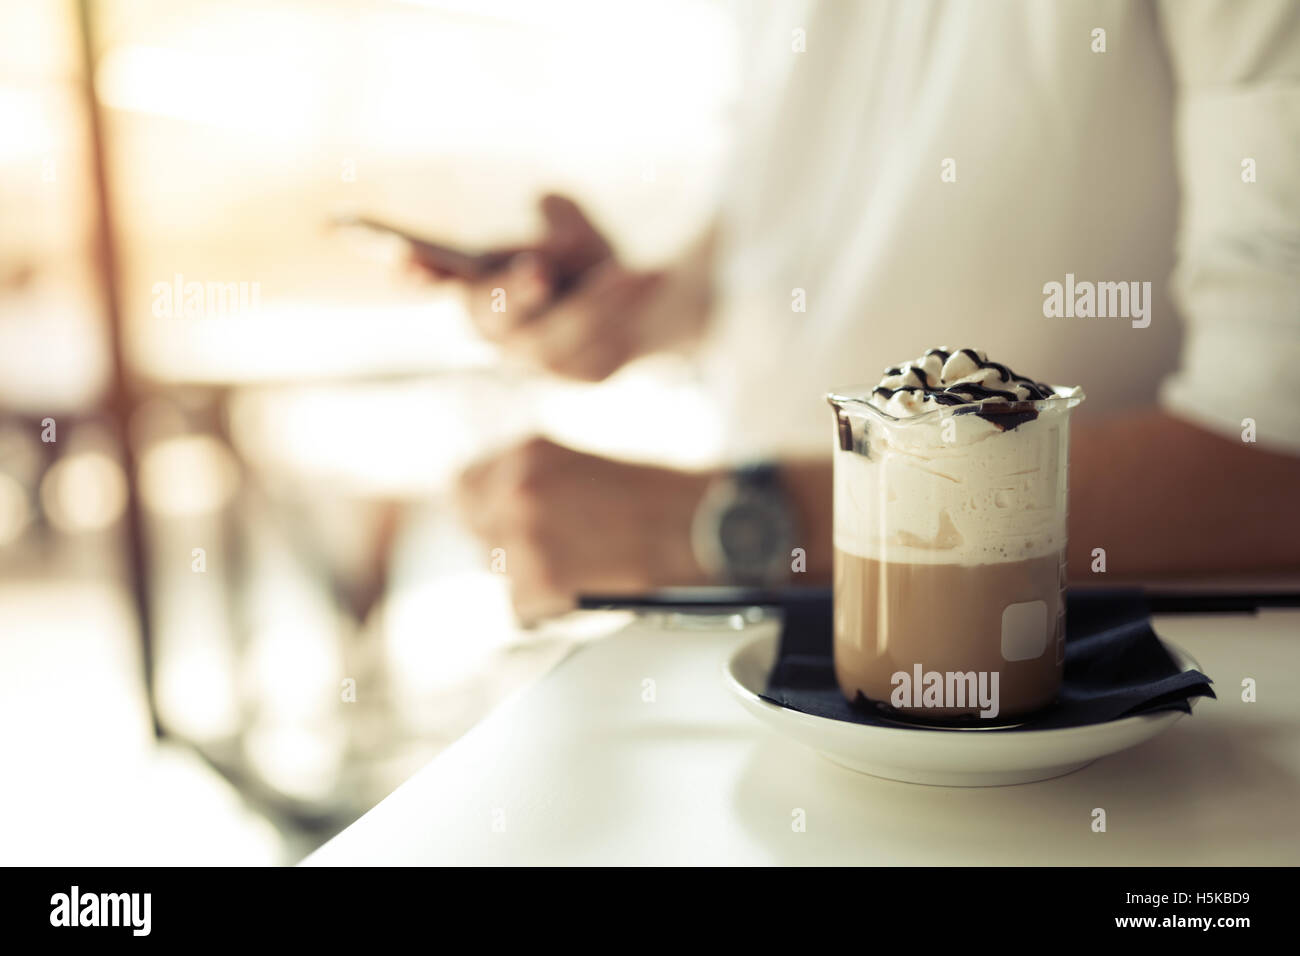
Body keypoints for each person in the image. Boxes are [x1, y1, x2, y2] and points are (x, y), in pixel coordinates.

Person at [420, 0, 1300, 623]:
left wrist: (722, 528)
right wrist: (642, 307)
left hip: (1093, 729)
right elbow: (803, 220)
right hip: (791, 670)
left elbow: (1280, 461)